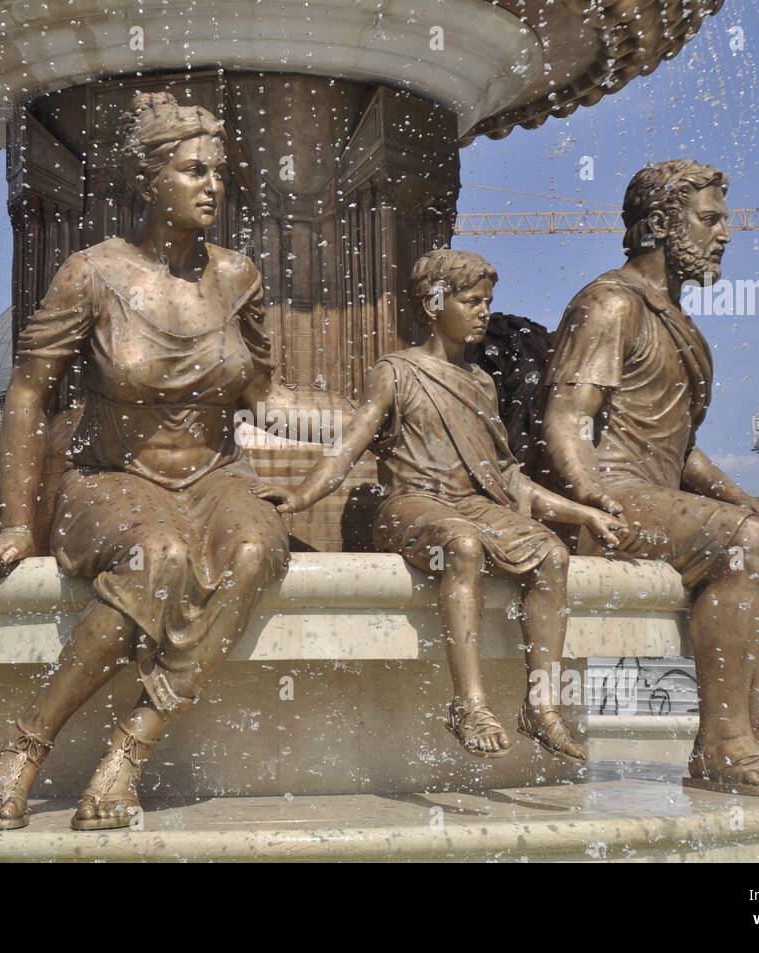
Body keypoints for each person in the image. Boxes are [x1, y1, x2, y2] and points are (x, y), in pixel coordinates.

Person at [0, 91, 332, 831]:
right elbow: (28, 393)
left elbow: (261, 391)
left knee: (255, 548)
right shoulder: (92, 274)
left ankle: (131, 747)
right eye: (193, 170)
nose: (211, 186)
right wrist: (13, 524)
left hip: (216, 475)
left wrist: (356, 422)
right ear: (148, 179)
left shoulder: (238, 277)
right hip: (113, 472)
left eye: (218, 172)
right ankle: (27, 742)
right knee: (158, 556)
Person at [541, 160, 759, 795]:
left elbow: (680, 447)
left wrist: (744, 496)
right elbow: (565, 418)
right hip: (611, 497)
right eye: (711, 219)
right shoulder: (611, 303)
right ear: (663, 225)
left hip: (655, 496)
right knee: (743, 541)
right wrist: (588, 499)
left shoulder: (675, 318)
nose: (725, 233)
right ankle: (722, 743)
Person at [255, 249, 627, 761]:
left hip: (469, 503)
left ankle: (541, 707)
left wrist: (584, 512)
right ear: (433, 303)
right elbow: (349, 446)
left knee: (551, 555)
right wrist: (298, 497)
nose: (484, 312)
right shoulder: (396, 371)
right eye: (471, 301)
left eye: (488, 302)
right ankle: (469, 704)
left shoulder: (481, 384)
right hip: (411, 504)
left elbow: (507, 480)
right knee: (464, 545)